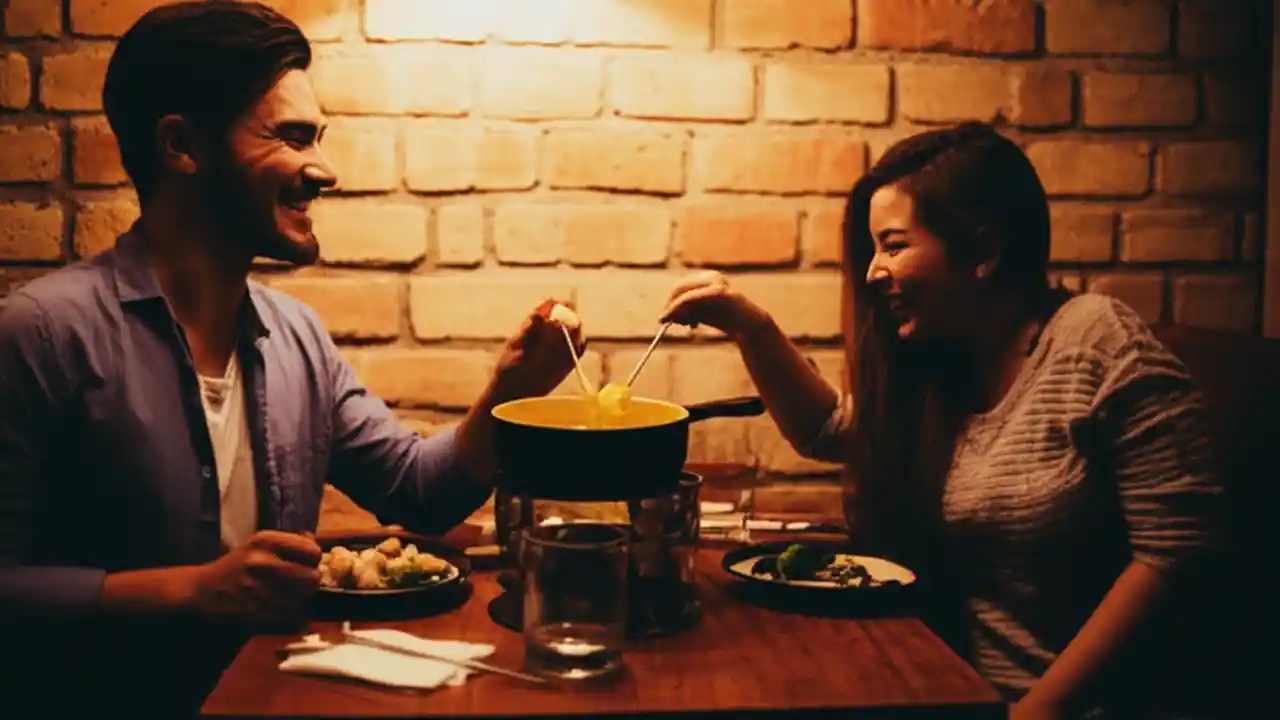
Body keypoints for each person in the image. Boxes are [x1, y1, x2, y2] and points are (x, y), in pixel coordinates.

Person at [0, 1, 580, 714]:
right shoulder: (41, 334)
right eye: (293, 137)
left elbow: (418, 494)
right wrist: (192, 589)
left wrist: (509, 393)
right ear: (182, 146)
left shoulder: (296, 334)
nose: (323, 170)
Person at [661, 122, 1223, 719]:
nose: (874, 271)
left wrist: (1040, 711)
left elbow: (1180, 551)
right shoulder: (948, 368)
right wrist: (751, 326)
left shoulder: (1095, 342)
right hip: (947, 688)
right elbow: (829, 431)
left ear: (982, 251)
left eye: (894, 245)